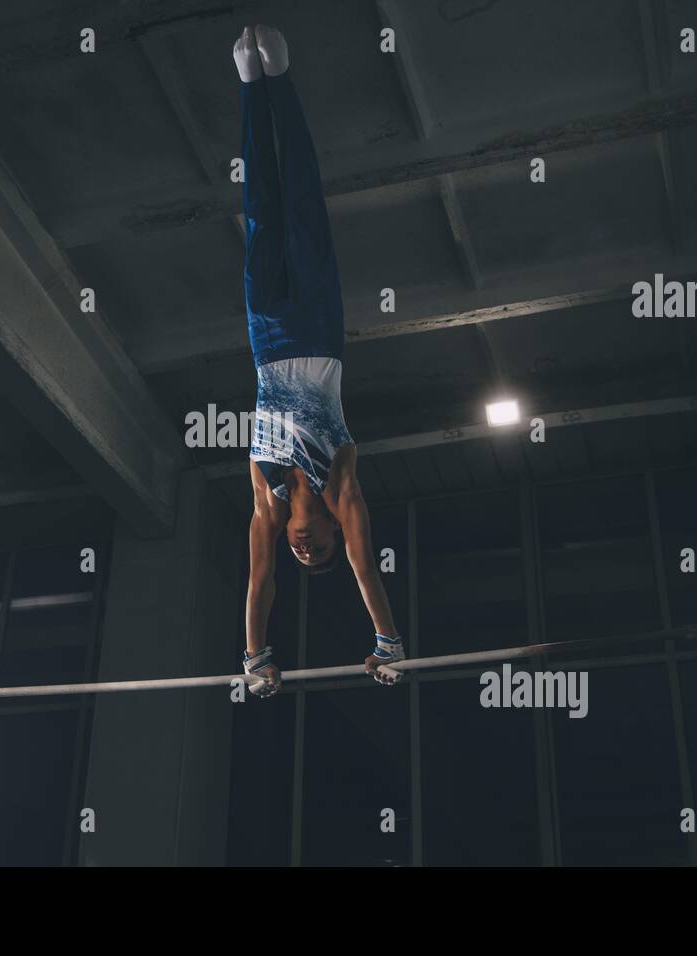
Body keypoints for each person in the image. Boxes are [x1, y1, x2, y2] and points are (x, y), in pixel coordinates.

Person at [234, 25, 404, 697]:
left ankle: (249, 87)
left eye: (305, 555)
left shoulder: (268, 502)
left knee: (258, 214)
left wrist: (255, 658)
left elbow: (259, 581)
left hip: (265, 341)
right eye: (321, 548)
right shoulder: (343, 488)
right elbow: (368, 573)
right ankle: (282, 79)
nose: (306, 550)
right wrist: (388, 644)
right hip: (319, 332)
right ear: (337, 530)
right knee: (301, 208)